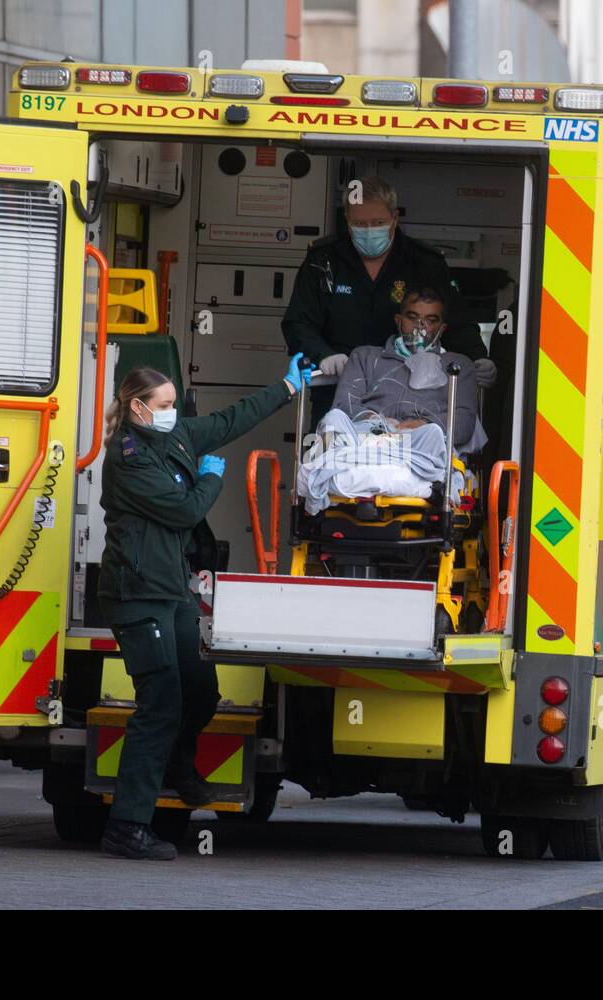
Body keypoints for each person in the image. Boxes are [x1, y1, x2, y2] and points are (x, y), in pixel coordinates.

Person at [96, 354, 313, 860]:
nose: (172, 411)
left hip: (170, 590)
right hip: (137, 595)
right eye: (164, 404)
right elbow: (184, 510)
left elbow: (229, 420)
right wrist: (212, 478)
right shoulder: (128, 459)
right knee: (160, 704)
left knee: (201, 691)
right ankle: (127, 826)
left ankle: (175, 767)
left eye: (174, 403)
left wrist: (286, 387)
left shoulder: (173, 436)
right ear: (138, 408)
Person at [282, 175, 497, 422]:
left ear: (394, 218)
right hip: (336, 390)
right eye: (360, 223)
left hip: (411, 394)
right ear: (347, 221)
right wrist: (323, 355)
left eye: (378, 222)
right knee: (331, 442)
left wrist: (477, 357)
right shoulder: (323, 261)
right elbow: (298, 322)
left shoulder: (423, 262)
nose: (369, 230)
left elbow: (453, 319)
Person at [332, 283, 478, 448]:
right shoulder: (365, 357)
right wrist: (375, 422)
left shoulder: (458, 366)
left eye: (430, 320)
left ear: (442, 328)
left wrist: (423, 425)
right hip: (366, 441)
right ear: (399, 320)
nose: (420, 326)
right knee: (333, 420)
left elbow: (464, 421)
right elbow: (342, 406)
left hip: (423, 446)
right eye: (412, 317)